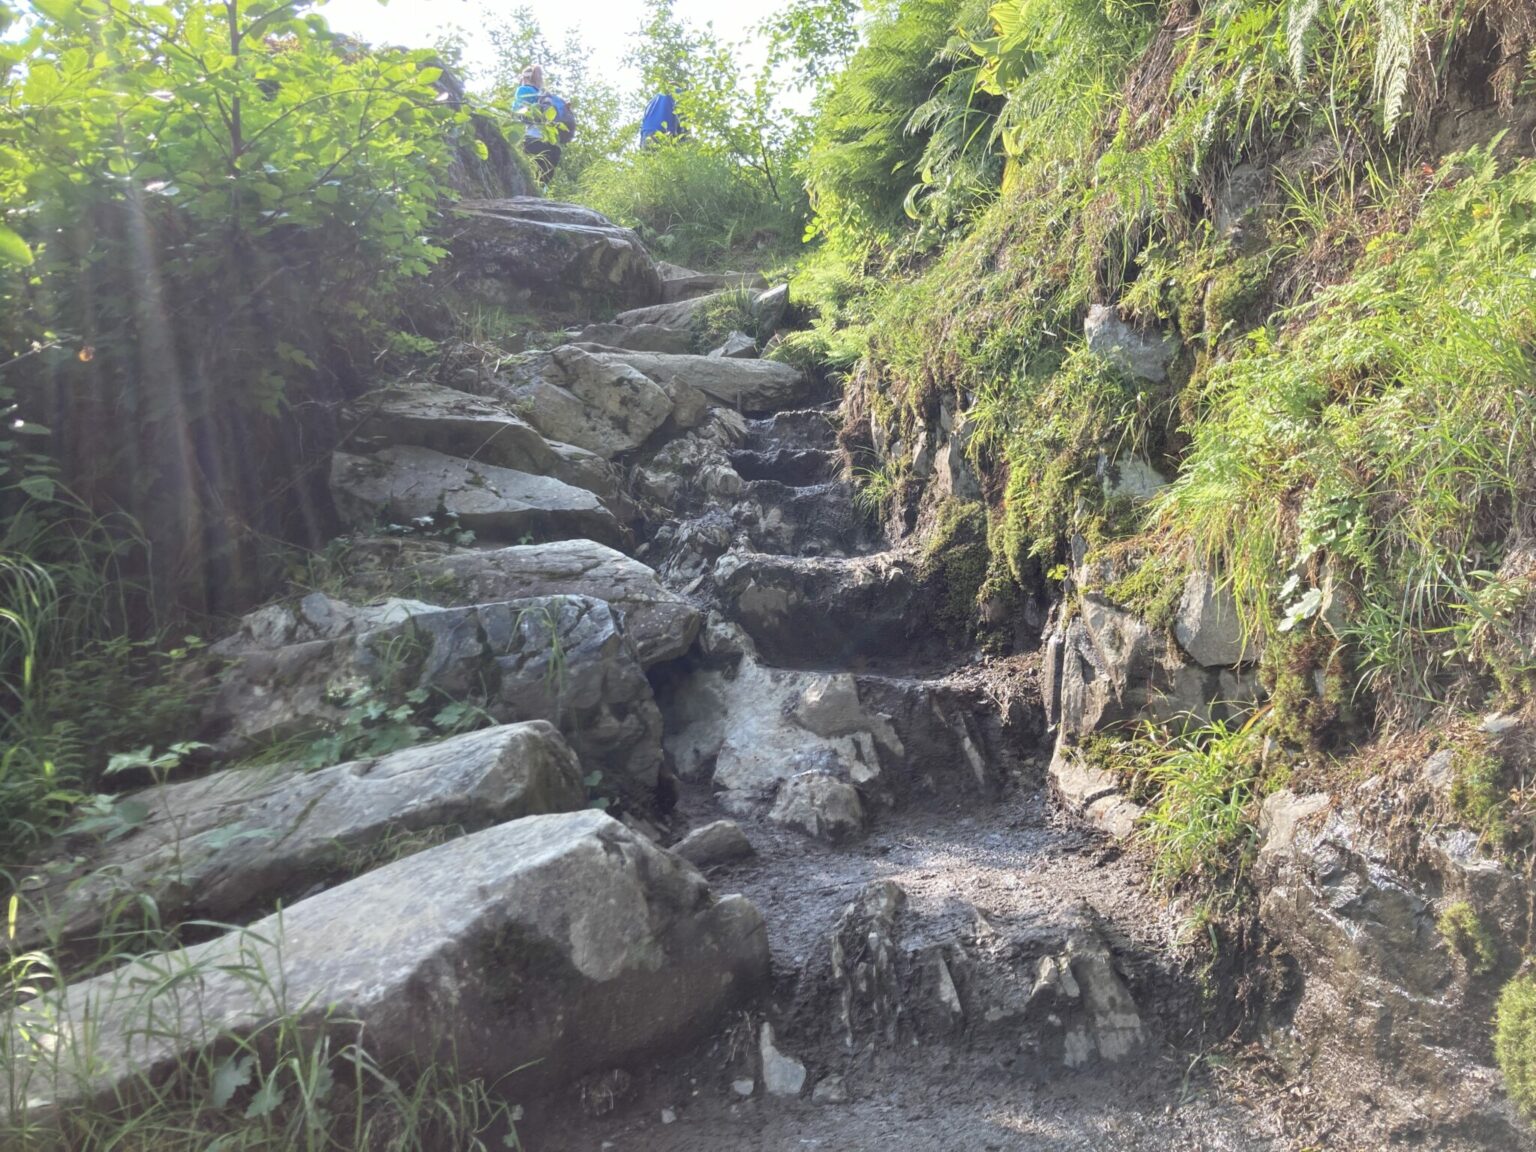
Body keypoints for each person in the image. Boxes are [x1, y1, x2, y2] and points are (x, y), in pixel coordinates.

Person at [512, 65, 577, 184]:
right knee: (543, 177)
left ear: (524, 78)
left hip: (532, 138)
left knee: (529, 173)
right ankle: (541, 193)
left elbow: (518, 114)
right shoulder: (545, 95)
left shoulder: (523, 90)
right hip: (552, 142)